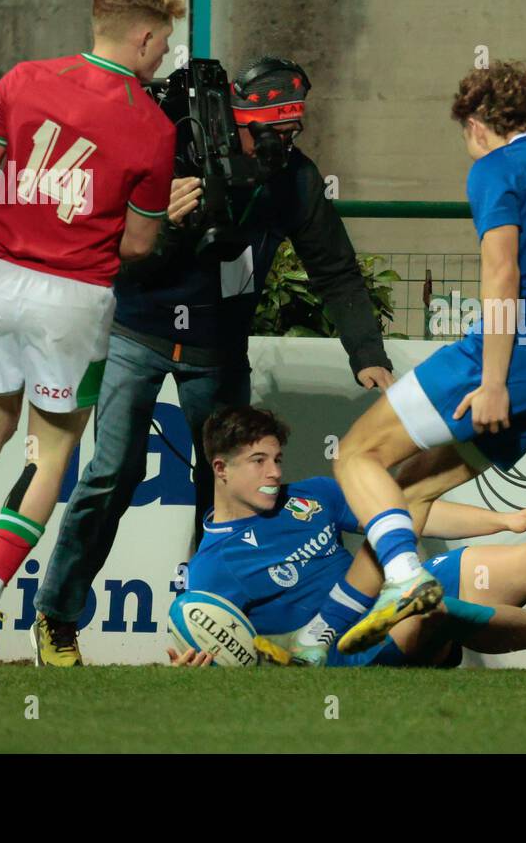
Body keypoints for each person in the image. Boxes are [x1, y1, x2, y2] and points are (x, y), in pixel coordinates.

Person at [30, 54, 394, 667]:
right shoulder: (167, 146)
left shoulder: (296, 179)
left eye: (288, 132)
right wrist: (161, 225)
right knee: (110, 474)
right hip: (134, 331)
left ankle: (213, 635)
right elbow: (101, 238)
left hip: (217, 348)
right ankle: (57, 618)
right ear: (235, 118)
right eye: (266, 131)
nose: (277, 145)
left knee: (224, 493)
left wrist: (368, 354)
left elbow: (334, 268)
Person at [280, 61, 526, 665]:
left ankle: (407, 578)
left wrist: (493, 382)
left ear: (477, 122)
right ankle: (316, 640)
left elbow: (502, 273)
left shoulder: (499, 166)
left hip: (511, 359)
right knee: (408, 491)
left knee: (359, 454)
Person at [0, 0, 184, 664]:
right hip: (74, 295)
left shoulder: (22, 79)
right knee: (51, 450)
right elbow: (140, 243)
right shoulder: (151, 126)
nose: (163, 59)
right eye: (163, 45)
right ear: (145, 35)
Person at [168, 405, 526, 668]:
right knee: (424, 602)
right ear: (220, 469)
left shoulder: (312, 495)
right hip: (353, 650)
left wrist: (502, 521)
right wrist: (196, 657)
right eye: (258, 462)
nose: (274, 472)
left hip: (397, 601)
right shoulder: (214, 566)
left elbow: (410, 515)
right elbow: (212, 638)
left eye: (277, 458)